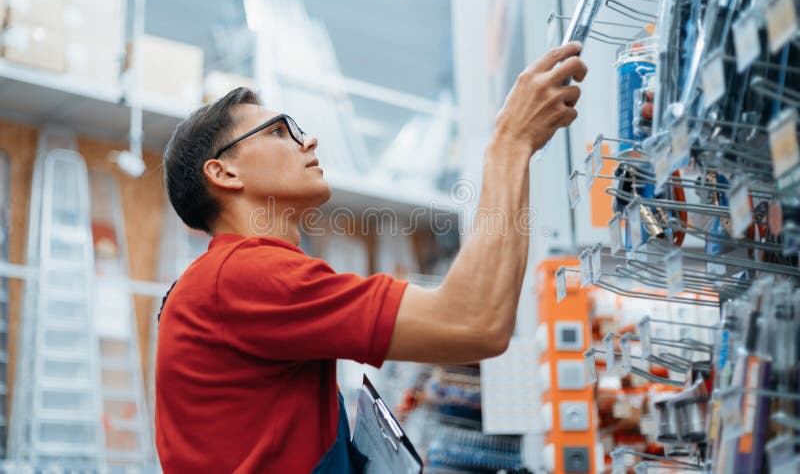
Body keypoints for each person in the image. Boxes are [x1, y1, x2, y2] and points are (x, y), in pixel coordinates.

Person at [156, 41, 587, 472]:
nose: (308, 141)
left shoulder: (231, 278)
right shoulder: (242, 275)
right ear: (223, 172)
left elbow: (483, 320)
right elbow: (475, 321)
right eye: (277, 131)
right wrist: (510, 142)